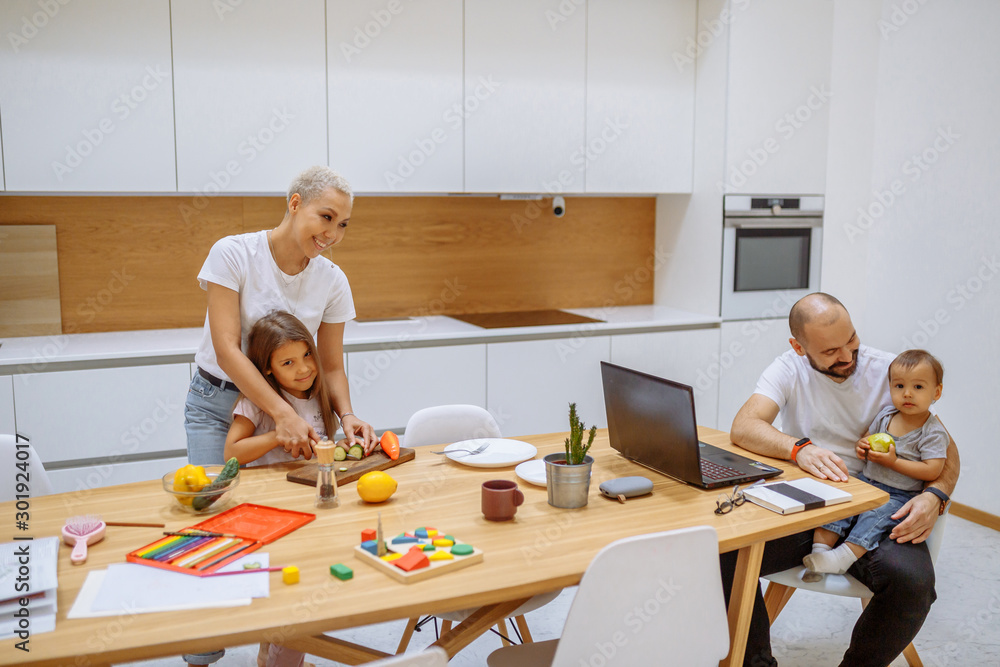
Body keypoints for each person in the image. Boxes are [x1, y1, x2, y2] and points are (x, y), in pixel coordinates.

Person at [724, 292, 959, 667]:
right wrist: (799, 449)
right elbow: (744, 426)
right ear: (799, 347)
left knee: (913, 586)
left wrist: (937, 495)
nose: (848, 356)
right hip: (816, 504)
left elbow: (946, 450)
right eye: (831, 351)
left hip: (882, 504)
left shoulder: (891, 374)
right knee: (726, 555)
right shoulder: (787, 369)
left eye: (851, 340)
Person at [184, 165, 376, 468]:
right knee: (215, 502)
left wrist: (347, 415)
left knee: (280, 502)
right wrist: (283, 415)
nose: (333, 234)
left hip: (288, 404)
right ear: (295, 204)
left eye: (343, 224)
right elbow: (226, 350)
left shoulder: (333, 281)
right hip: (219, 402)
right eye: (326, 217)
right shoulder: (233, 254)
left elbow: (332, 366)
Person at [802, 349, 949, 581]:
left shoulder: (932, 432)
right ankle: (819, 554)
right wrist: (862, 446)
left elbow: (933, 469)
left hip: (899, 494)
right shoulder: (886, 415)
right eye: (899, 386)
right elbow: (867, 437)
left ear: (937, 392)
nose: (907, 394)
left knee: (875, 517)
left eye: (918, 387)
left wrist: (894, 462)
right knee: (840, 503)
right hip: (866, 481)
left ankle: (842, 559)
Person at [225, 310, 351, 467]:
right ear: (267, 367)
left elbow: (318, 449)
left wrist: (336, 448)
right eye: (288, 363)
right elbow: (231, 453)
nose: (304, 369)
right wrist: (278, 435)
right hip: (273, 489)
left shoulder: (320, 395)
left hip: (312, 486)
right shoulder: (255, 403)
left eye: (307, 354)